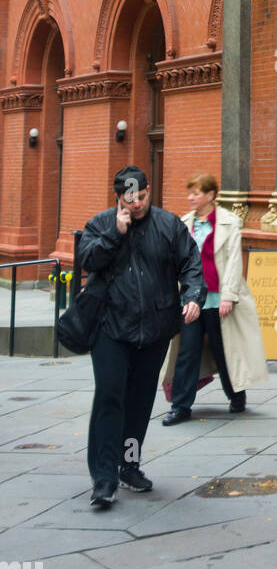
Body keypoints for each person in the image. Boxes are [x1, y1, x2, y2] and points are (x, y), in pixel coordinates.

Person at [79, 165, 205, 510]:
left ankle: (129, 465)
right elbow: (86, 259)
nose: (136, 205)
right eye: (129, 199)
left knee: (138, 404)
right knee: (110, 397)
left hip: (154, 329)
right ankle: (104, 477)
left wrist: (194, 295)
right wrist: (113, 235)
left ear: (150, 191)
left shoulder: (169, 225)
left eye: (142, 197)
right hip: (110, 327)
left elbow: (191, 265)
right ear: (118, 197)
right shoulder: (101, 224)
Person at [160, 172, 269, 423]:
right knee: (188, 350)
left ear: (210, 195)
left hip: (219, 299)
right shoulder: (183, 223)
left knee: (225, 350)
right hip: (191, 300)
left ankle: (236, 395)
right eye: (189, 193)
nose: (190, 198)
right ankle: (180, 406)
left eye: (196, 193)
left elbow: (233, 262)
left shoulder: (229, 222)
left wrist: (228, 297)